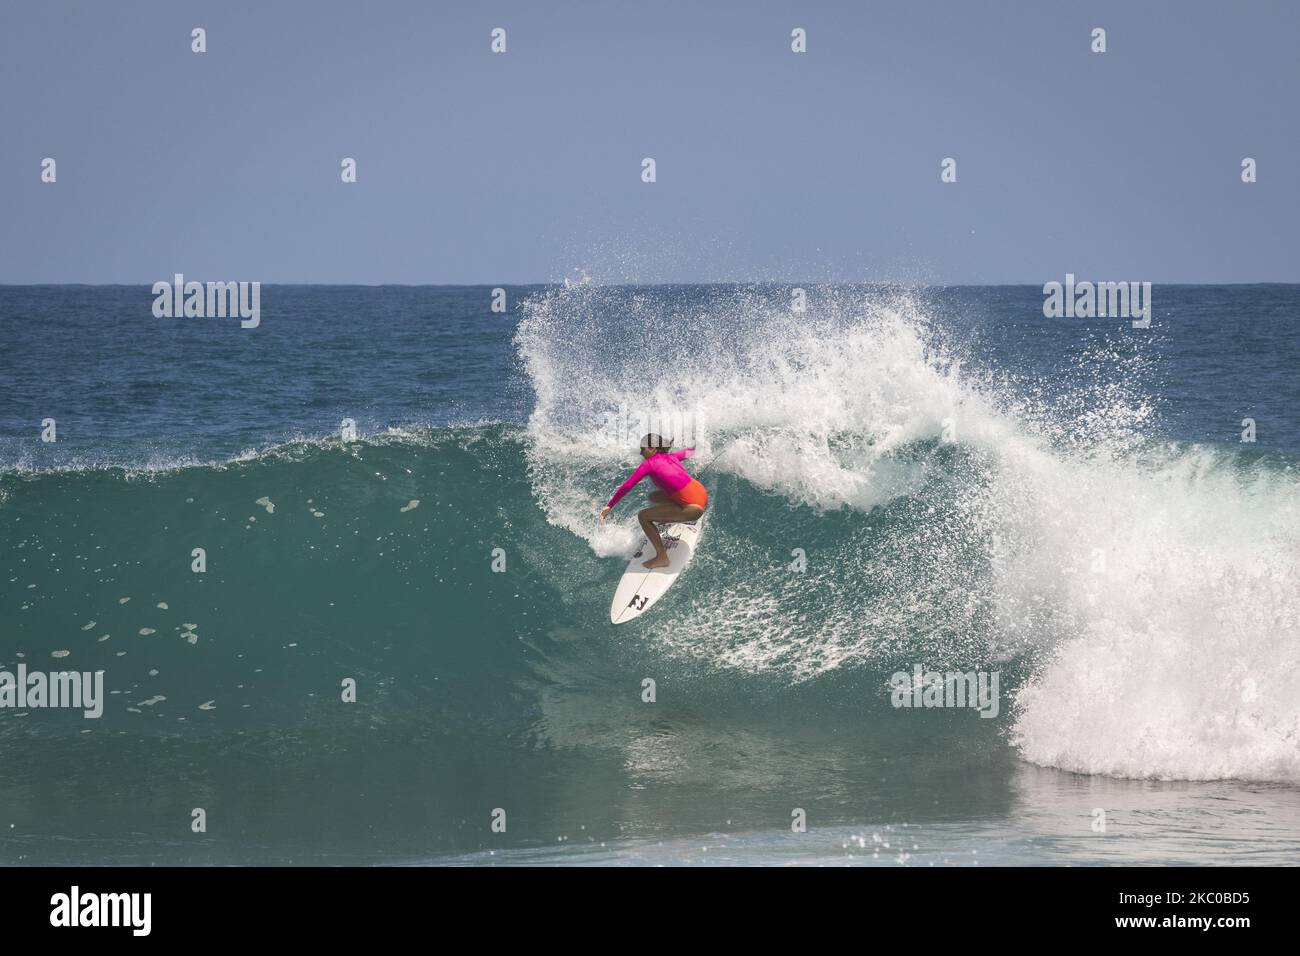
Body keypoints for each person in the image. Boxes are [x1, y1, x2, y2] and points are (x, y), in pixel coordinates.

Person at [599, 433, 708, 569]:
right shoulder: (672, 457)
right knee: (655, 497)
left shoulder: (648, 464)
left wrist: (609, 506)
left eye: (643, 449)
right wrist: (700, 442)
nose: (641, 452)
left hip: (693, 508)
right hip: (701, 493)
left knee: (643, 516)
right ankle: (668, 517)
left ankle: (662, 557)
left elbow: (628, 485)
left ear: (653, 449)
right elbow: (690, 452)